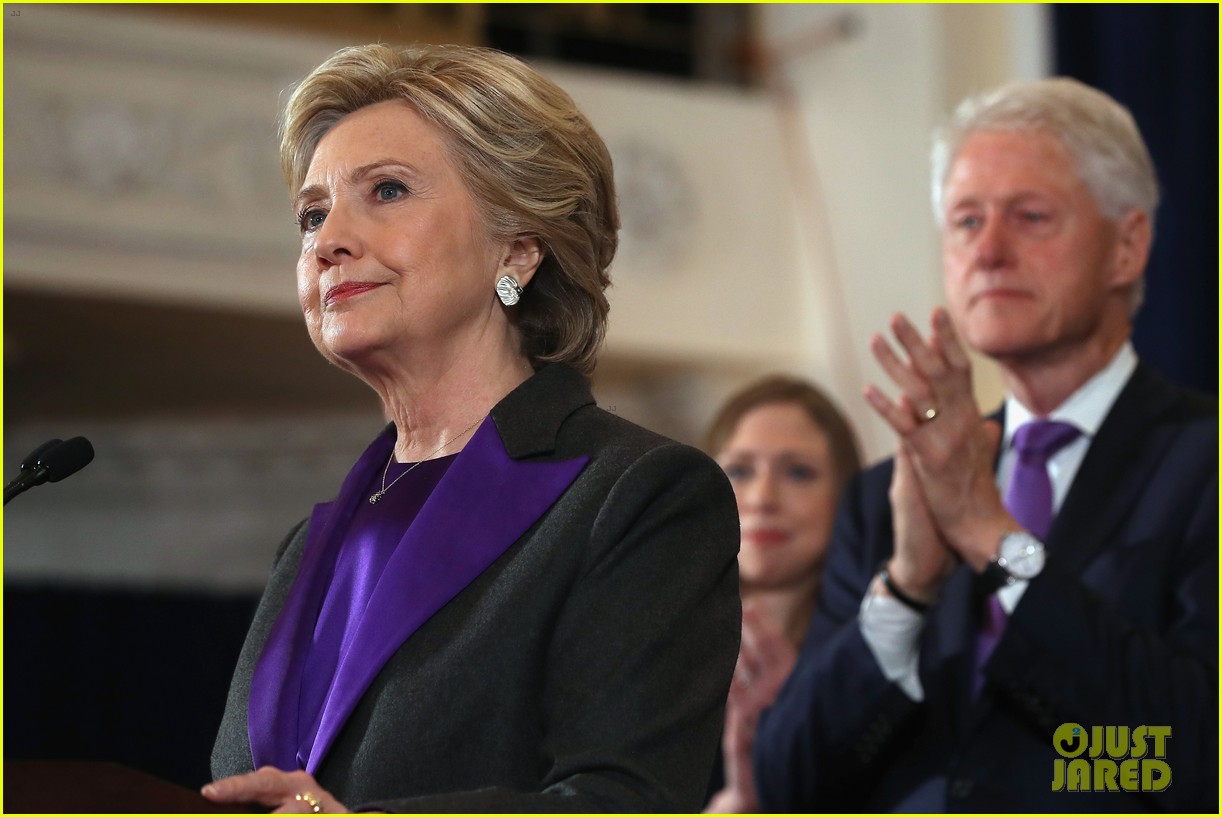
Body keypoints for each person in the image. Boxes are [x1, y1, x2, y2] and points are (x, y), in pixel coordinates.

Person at [202, 43, 741, 813]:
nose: (326, 241)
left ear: (518, 246)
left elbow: (626, 800)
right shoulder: (308, 547)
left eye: (387, 190)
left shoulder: (637, 496)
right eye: (312, 215)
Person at [755, 77, 1217, 812]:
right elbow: (789, 787)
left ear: (1127, 247)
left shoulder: (1202, 465)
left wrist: (993, 538)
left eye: (1031, 216)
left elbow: (1192, 757)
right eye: (966, 221)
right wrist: (907, 587)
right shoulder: (884, 500)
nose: (989, 251)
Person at [702, 376, 861, 813]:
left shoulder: (875, 655)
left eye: (797, 472)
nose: (762, 498)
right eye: (739, 471)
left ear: (846, 494)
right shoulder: (653, 646)